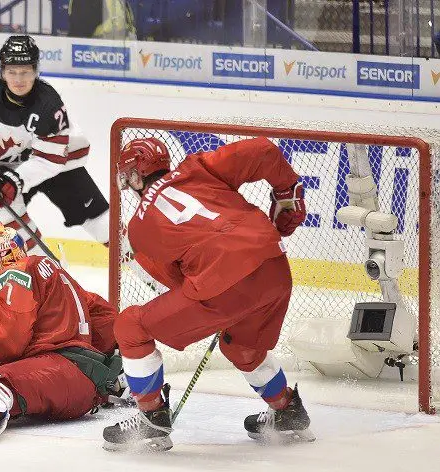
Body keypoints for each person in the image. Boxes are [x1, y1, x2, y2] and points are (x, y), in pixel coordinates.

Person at [103, 136, 314, 452]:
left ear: (134, 176)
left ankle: (150, 418)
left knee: (130, 326)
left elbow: (179, 283)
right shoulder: (197, 168)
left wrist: (219, 307)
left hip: (224, 285)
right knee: (242, 346)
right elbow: (265, 150)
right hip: (274, 268)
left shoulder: (140, 227)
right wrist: (288, 193)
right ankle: (286, 410)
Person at [0, 223, 127, 443]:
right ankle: (125, 381)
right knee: (3, 368)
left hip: (58, 373)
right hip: (83, 386)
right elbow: (107, 319)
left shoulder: (17, 272)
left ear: (5, 255)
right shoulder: (58, 276)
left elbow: (7, 338)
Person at [0, 35, 107, 254]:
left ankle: (149, 272)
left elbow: (49, 160)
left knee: (102, 225)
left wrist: (18, 180)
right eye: (12, 72)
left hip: (57, 163)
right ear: (2, 72)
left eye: (26, 72)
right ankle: (45, 271)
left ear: (36, 71)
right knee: (0, 204)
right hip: (5, 166)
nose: (19, 80)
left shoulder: (48, 105)